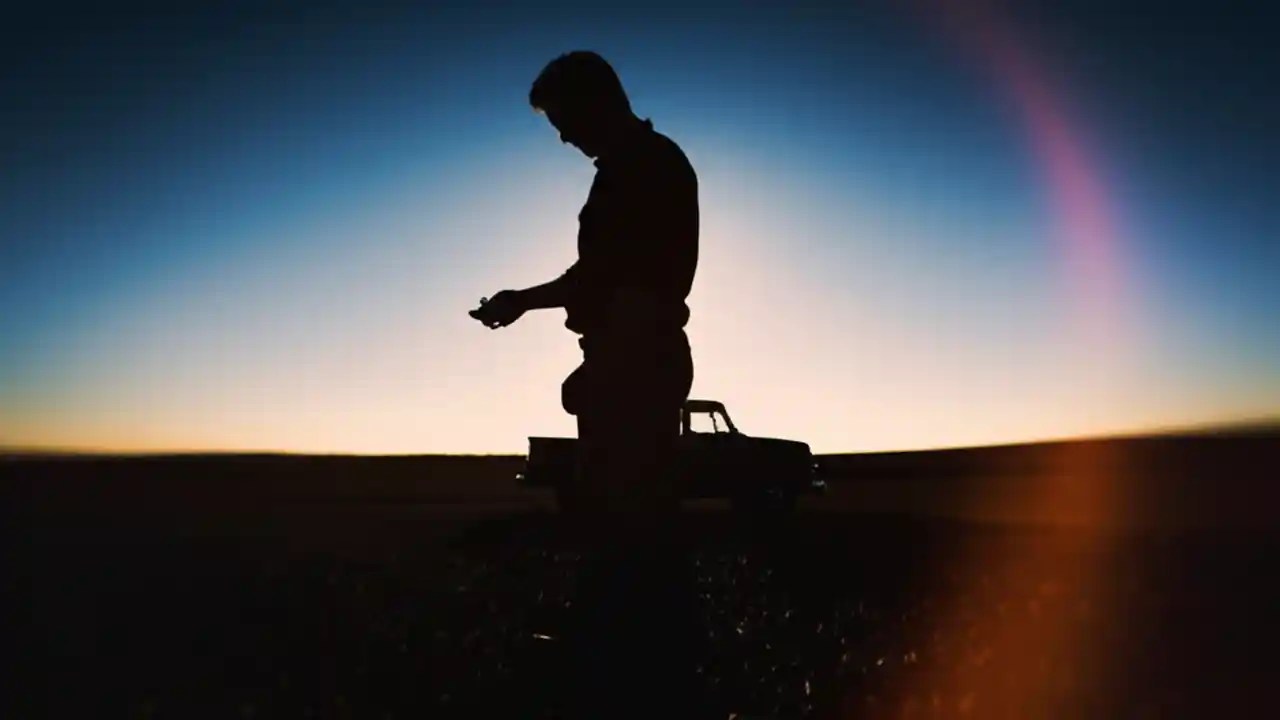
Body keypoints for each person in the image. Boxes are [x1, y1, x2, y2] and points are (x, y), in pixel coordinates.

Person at [469, 51, 704, 718]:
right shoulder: (643, 166)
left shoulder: (645, 168)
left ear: (598, 102)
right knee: (624, 510)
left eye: (565, 121)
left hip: (634, 355)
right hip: (626, 355)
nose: (564, 138)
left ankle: (639, 669)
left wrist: (524, 300)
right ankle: (636, 656)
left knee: (630, 514)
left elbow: (608, 276)